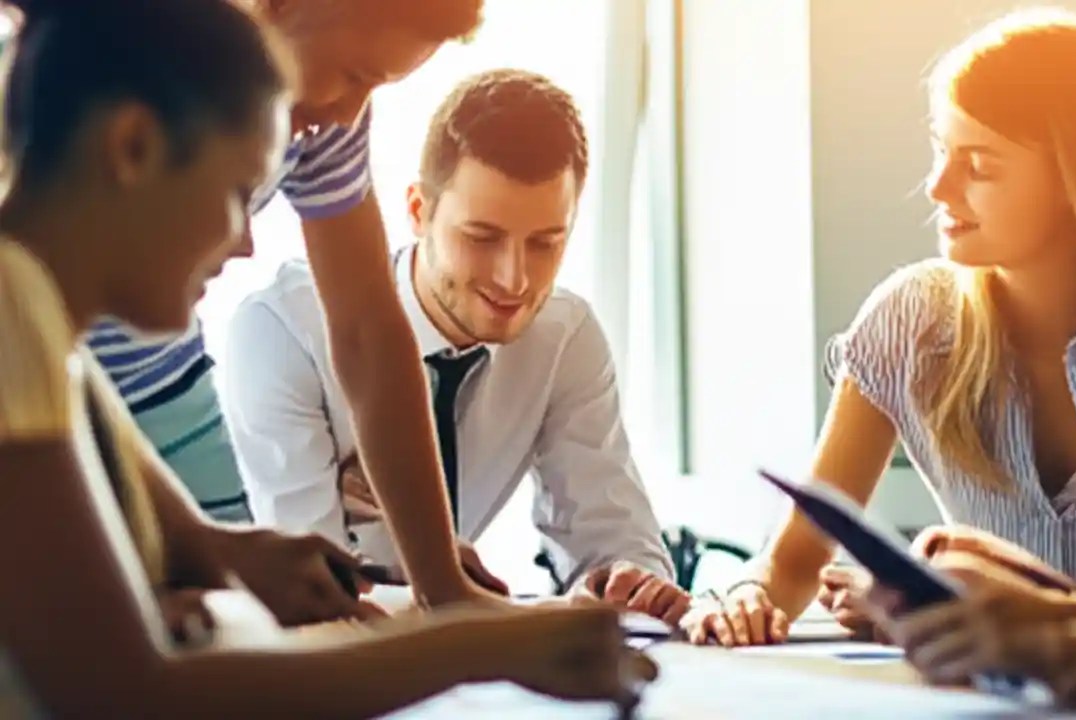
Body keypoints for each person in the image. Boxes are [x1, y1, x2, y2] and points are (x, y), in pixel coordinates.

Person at [0, 2, 653, 716]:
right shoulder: (14, 318)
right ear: (133, 149)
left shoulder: (47, 334)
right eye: (233, 194)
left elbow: (173, 522)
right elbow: (131, 689)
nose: (245, 242)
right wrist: (491, 648)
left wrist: (220, 551)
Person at [681, 6, 1076, 648]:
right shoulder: (909, 320)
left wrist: (1001, 616)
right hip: (986, 684)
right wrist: (743, 596)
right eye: (942, 149)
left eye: (981, 164)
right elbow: (793, 560)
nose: (938, 186)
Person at [222, 69, 688, 623]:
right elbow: (312, 601)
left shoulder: (564, 337)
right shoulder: (282, 332)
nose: (514, 280)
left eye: (545, 243)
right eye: (481, 238)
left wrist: (627, 583)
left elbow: (615, 537)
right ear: (418, 211)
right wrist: (465, 597)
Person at [85, 0, 501, 608]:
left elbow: (369, 332)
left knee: (233, 621)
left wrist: (441, 582)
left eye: (379, 87)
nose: (350, 113)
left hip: (163, 388)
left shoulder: (324, 119)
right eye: (354, 74)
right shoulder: (101, 67)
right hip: (38, 391)